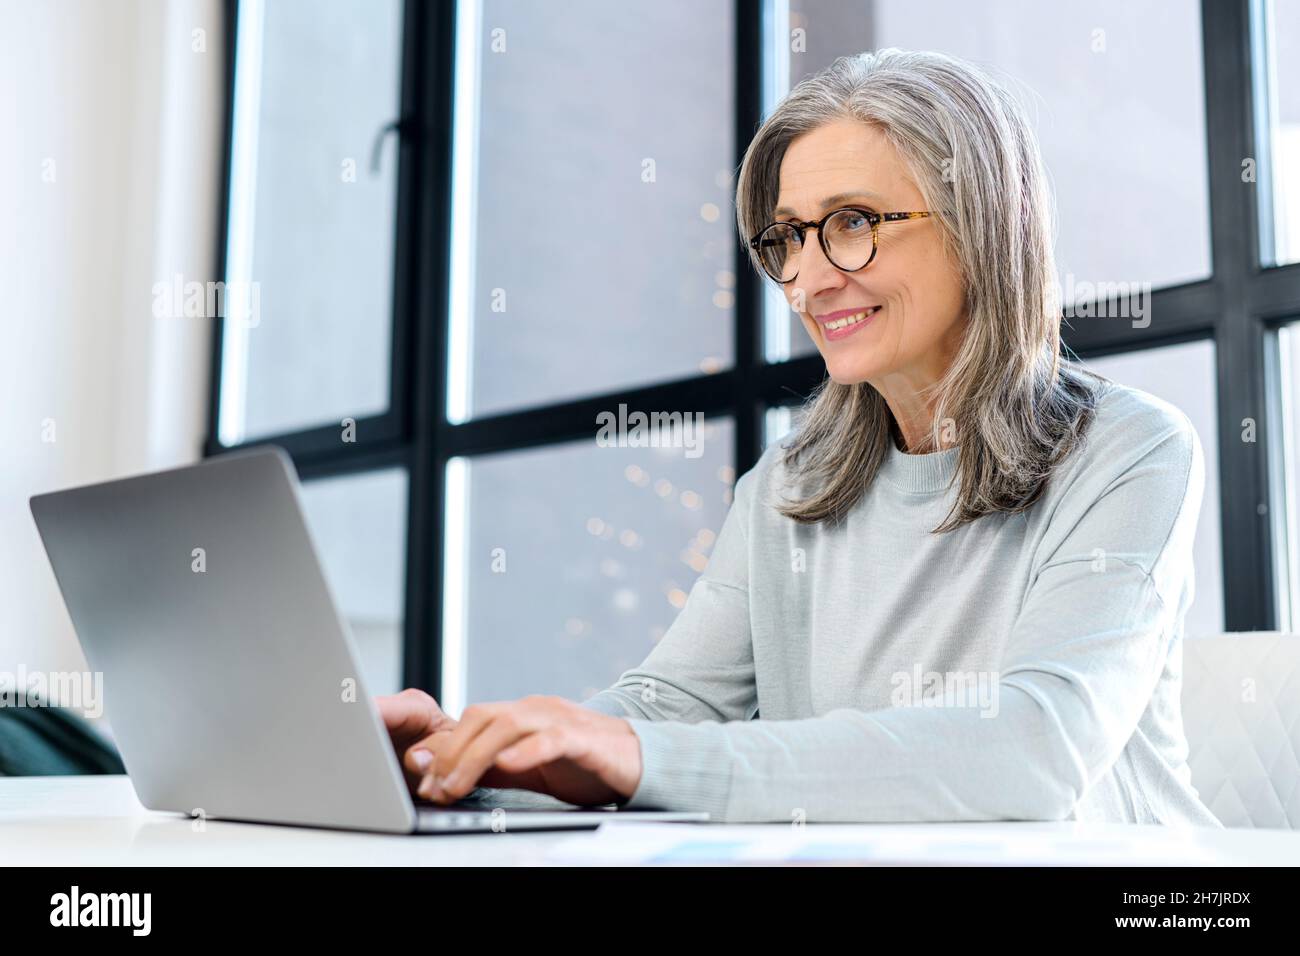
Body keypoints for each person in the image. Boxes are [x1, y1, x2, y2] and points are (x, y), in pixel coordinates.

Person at [378, 48, 1221, 826]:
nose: (809, 280)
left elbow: (1036, 749)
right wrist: (469, 764)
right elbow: (670, 708)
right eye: (787, 237)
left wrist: (641, 757)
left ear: (981, 225)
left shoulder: (1130, 451)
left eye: (852, 223)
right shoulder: (788, 481)